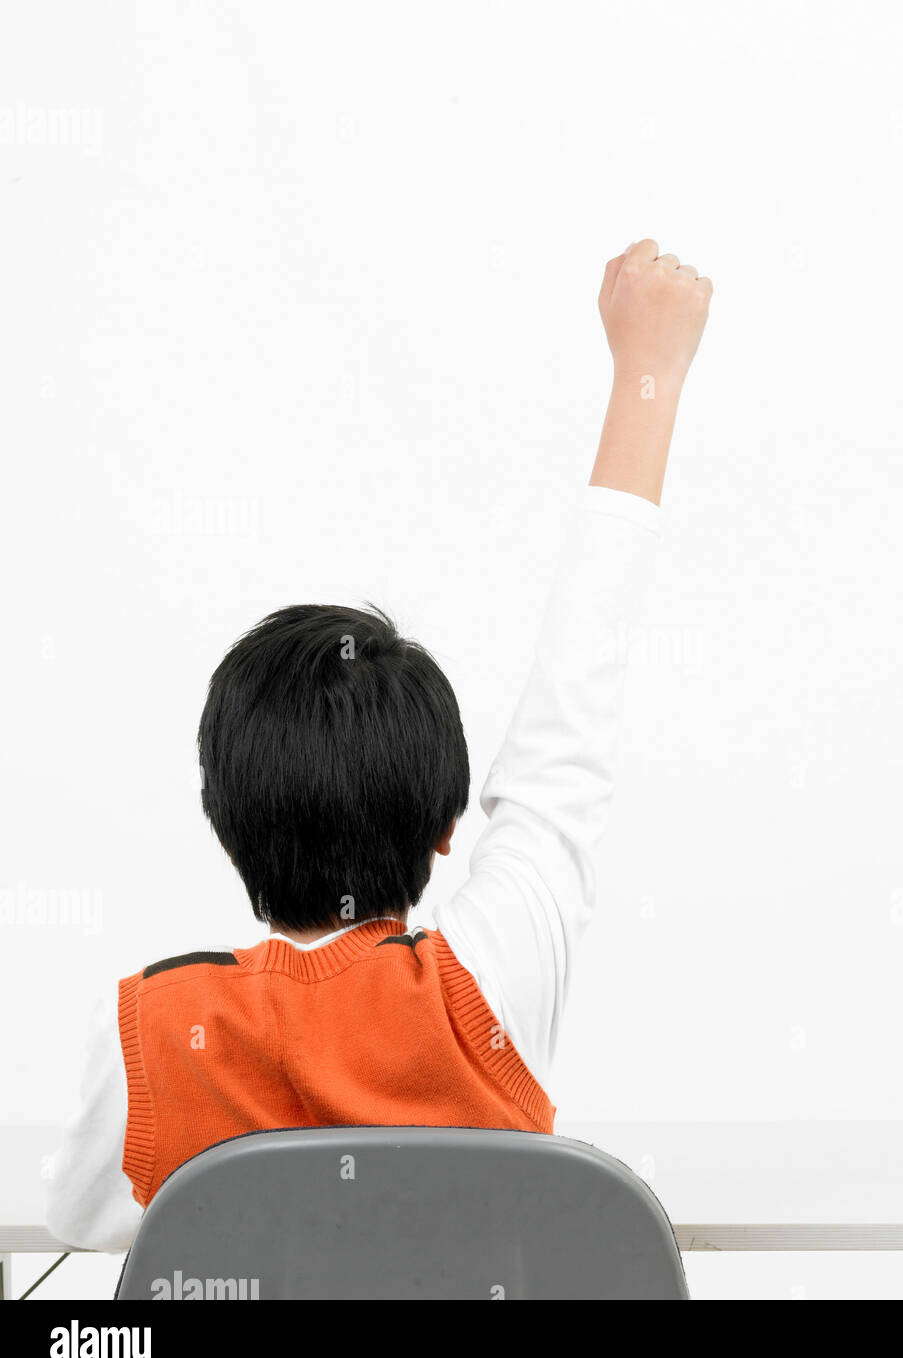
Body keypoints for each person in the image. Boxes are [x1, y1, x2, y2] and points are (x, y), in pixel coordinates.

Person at [45, 238, 712, 1251]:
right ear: (449, 826)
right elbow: (572, 715)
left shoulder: (146, 1034)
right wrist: (644, 377)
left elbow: (75, 1222)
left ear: (222, 817)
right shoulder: (489, 987)